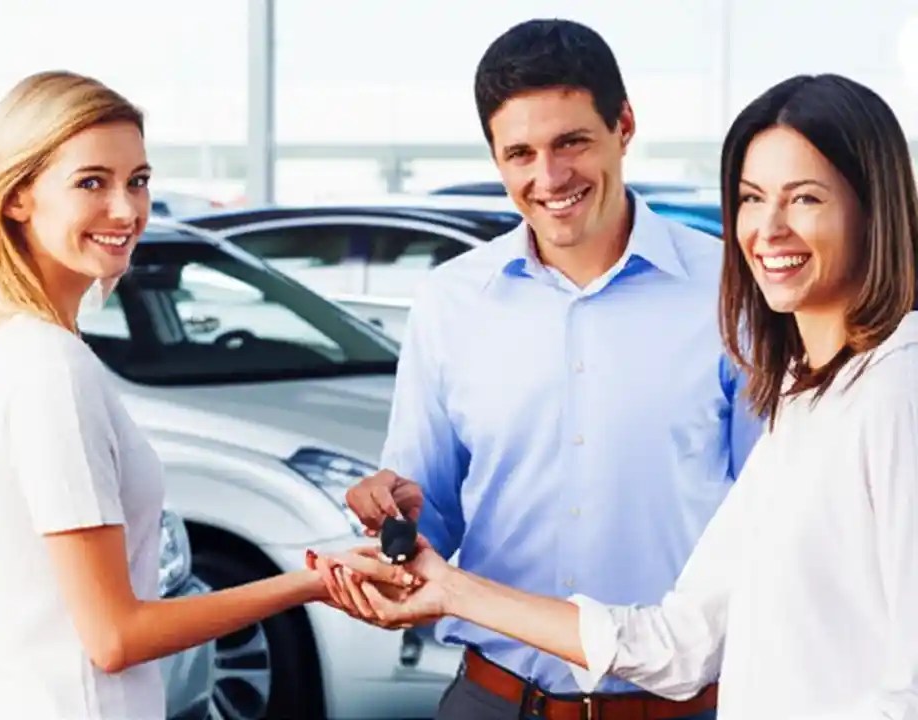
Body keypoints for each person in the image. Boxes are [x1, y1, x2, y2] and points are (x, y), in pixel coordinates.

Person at [326, 72, 918, 719]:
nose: (768, 229)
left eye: (804, 198)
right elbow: (681, 640)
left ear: (873, 207)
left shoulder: (896, 388)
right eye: (751, 198)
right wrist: (446, 588)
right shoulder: (806, 395)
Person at [332, 18, 763, 720]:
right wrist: (391, 518)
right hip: (495, 699)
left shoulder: (731, 294)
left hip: (683, 707)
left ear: (623, 125)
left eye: (571, 142)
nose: (549, 177)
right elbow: (428, 509)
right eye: (521, 153)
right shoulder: (449, 303)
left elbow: (768, 520)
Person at [0, 70, 329, 719]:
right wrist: (307, 585)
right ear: (17, 197)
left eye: (138, 181)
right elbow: (115, 637)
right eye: (92, 182)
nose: (127, 210)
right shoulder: (46, 363)